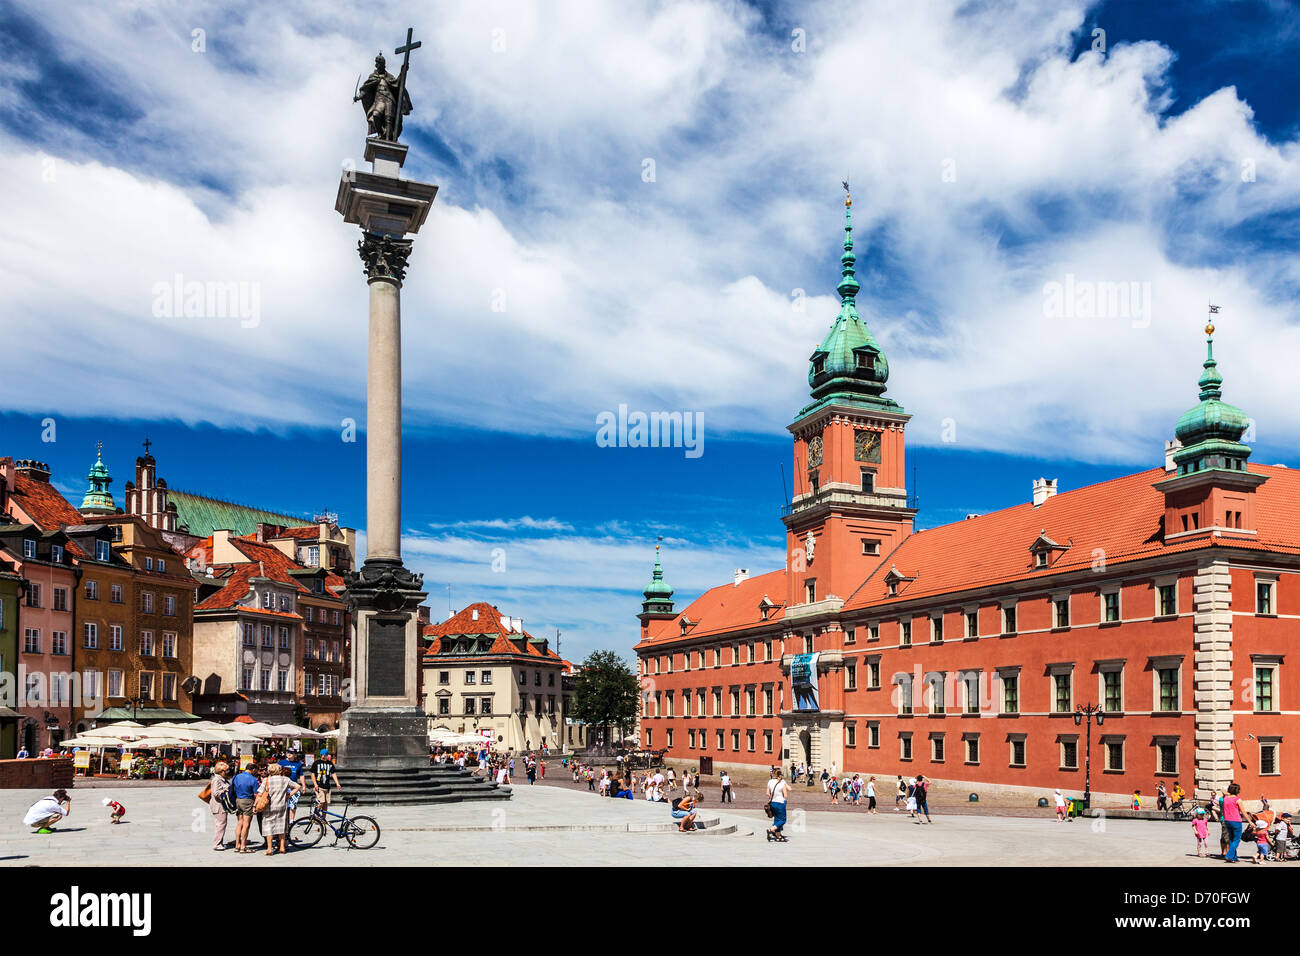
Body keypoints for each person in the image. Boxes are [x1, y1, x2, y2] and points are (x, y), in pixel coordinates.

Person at [258, 763, 303, 856]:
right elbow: (298, 787)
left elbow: (260, 793)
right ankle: (282, 847)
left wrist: (256, 805)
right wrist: (289, 795)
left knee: (268, 827)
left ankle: (269, 849)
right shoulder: (285, 779)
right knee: (281, 827)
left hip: (269, 806)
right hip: (282, 805)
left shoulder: (267, 780)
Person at [231, 762, 262, 853]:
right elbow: (256, 794)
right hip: (248, 801)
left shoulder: (237, 776)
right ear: (253, 770)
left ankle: (237, 845)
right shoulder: (253, 779)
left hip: (238, 800)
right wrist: (256, 805)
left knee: (239, 823)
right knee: (246, 824)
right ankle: (243, 846)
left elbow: (232, 788)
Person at [209, 761, 233, 851]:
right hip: (218, 805)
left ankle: (220, 842)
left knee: (221, 824)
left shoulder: (222, 778)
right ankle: (217, 844)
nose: (227, 772)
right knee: (220, 824)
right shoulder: (217, 779)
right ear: (221, 771)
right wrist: (226, 789)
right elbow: (215, 793)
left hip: (220, 805)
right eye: (226, 770)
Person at [766, 768, 790, 842]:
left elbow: (767, 793)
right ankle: (771, 830)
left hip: (773, 803)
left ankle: (778, 836)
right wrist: (784, 800)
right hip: (780, 803)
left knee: (777, 819)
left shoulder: (770, 782)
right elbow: (786, 795)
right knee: (783, 820)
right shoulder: (782, 783)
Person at [1222, 782, 1243, 863]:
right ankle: (1229, 855)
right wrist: (1250, 822)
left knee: (1231, 839)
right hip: (1236, 821)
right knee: (1237, 840)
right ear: (1237, 790)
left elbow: (1223, 810)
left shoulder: (1225, 799)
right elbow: (1243, 812)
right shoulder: (1238, 799)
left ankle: (1234, 857)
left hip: (1227, 820)